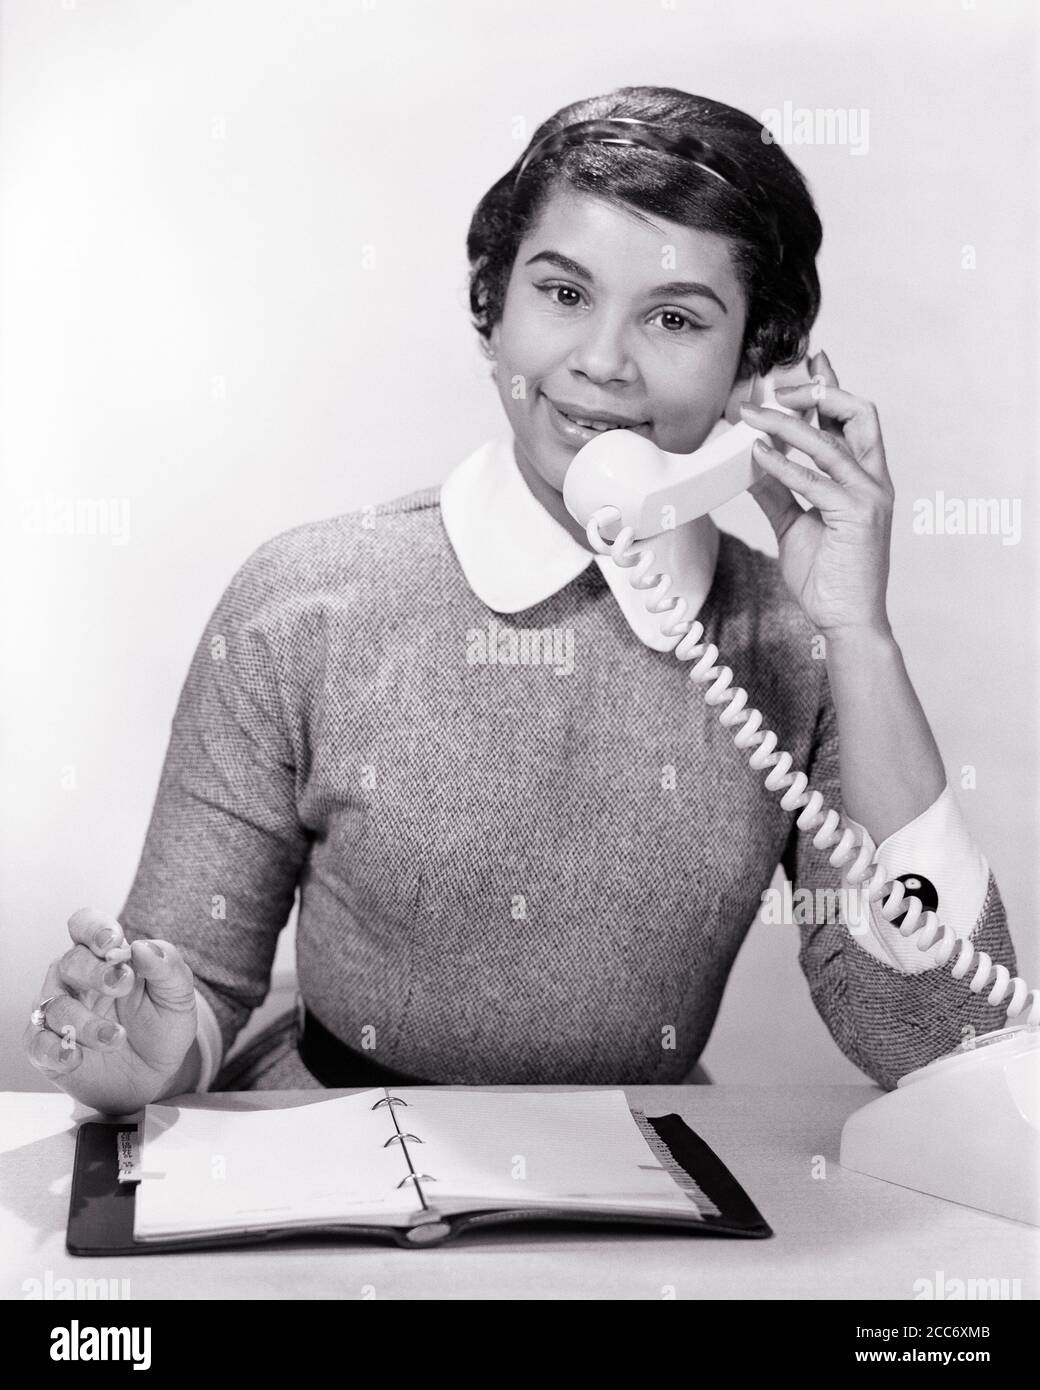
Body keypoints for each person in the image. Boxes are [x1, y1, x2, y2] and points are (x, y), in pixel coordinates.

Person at [23, 85, 1023, 1115]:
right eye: (562, 293)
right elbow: (188, 984)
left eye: (674, 318)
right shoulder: (303, 602)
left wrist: (858, 634)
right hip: (330, 1142)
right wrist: (136, 1053)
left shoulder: (789, 643)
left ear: (754, 368)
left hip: (635, 1172)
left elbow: (935, 1035)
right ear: (494, 306)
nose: (600, 361)